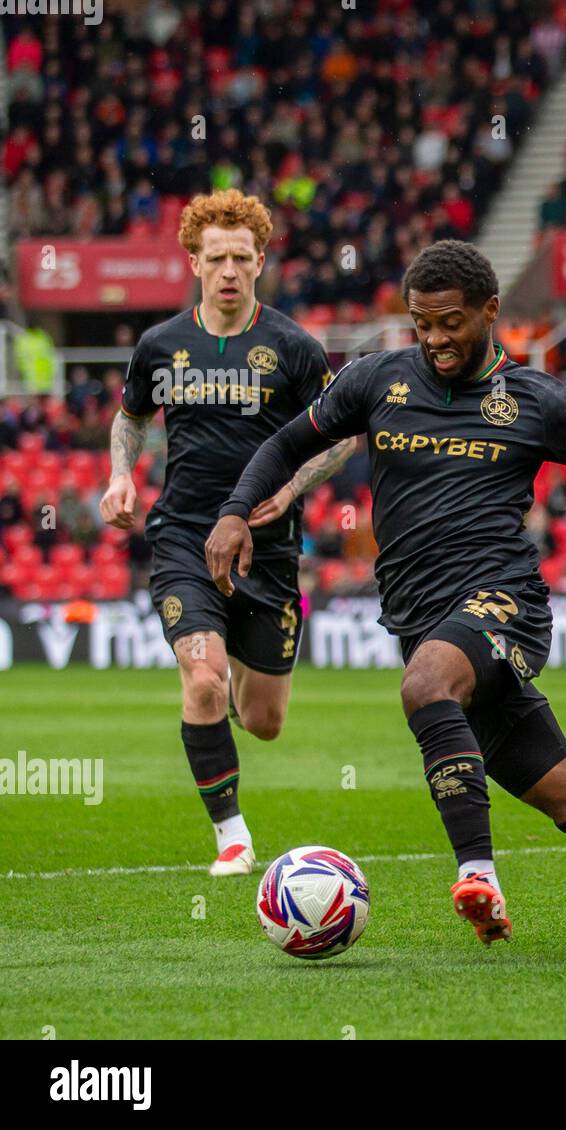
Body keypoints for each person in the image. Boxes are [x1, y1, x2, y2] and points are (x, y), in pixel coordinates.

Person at [206, 240, 566, 947]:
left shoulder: (538, 401)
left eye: (450, 323)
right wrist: (236, 509)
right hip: (422, 618)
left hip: (505, 603)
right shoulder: (375, 381)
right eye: (421, 323)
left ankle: (478, 874)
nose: (434, 340)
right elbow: (286, 445)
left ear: (490, 311)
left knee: (426, 685)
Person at [98, 189, 355, 877]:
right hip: (183, 535)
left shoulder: (294, 347)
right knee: (204, 680)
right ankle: (233, 838)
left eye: (243, 258)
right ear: (194, 262)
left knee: (264, 719)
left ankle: (229, 711)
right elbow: (130, 417)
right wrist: (122, 475)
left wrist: (291, 486)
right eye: (217, 259)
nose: (231, 272)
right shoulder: (161, 345)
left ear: (261, 260)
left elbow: (342, 435)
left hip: (267, 550)